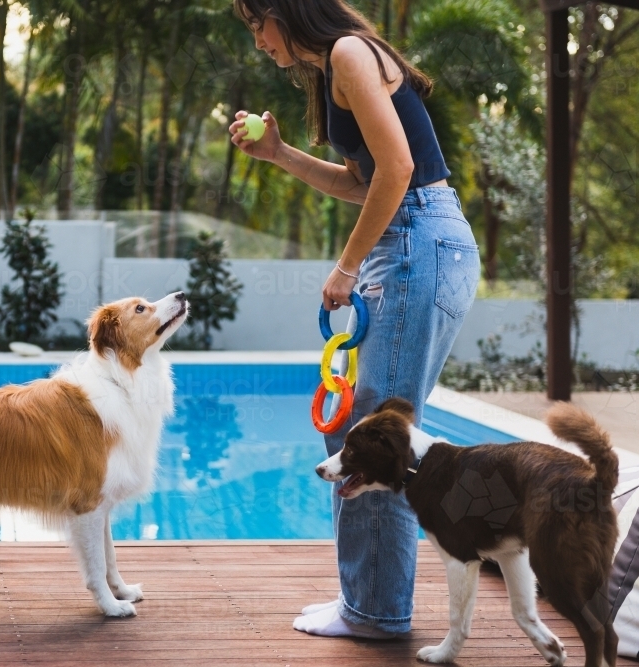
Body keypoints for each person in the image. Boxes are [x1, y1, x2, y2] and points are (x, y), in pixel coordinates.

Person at [229, 0, 480, 639]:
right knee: (367, 430)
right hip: (418, 243)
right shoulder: (335, 66)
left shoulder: (347, 53)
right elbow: (363, 182)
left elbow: (398, 172)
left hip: (417, 243)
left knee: (375, 437)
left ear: (285, 11)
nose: (257, 40)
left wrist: (346, 267)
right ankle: (367, 603)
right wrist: (281, 153)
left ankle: (375, 612)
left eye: (257, 23)